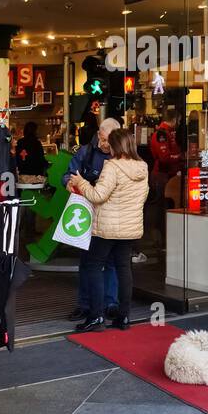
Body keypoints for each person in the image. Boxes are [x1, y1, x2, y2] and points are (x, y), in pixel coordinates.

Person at [67, 127, 148, 332]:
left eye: (109, 145)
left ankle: (96, 317)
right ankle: (124, 317)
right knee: (123, 268)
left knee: (94, 266)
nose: (107, 148)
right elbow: (143, 195)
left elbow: (98, 195)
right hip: (130, 228)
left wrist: (81, 182)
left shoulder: (112, 166)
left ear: (115, 146)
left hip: (108, 227)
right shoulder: (142, 166)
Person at [63, 117, 120, 320]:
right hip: (87, 212)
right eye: (103, 140)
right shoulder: (85, 152)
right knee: (87, 261)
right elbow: (69, 174)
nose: (105, 145)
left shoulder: (122, 155)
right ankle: (85, 304)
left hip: (112, 215)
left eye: (110, 141)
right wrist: (69, 183)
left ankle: (111, 303)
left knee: (111, 261)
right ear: (98, 135)